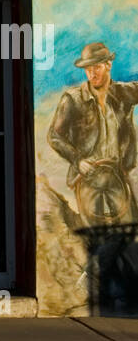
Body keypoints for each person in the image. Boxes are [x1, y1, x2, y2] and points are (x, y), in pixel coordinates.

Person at [47, 41, 138, 224]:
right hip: (87, 176)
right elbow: (54, 136)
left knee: (129, 228)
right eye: (88, 68)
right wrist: (78, 160)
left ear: (108, 65)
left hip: (116, 173)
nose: (92, 73)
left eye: (97, 67)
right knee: (94, 232)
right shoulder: (73, 99)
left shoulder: (122, 93)